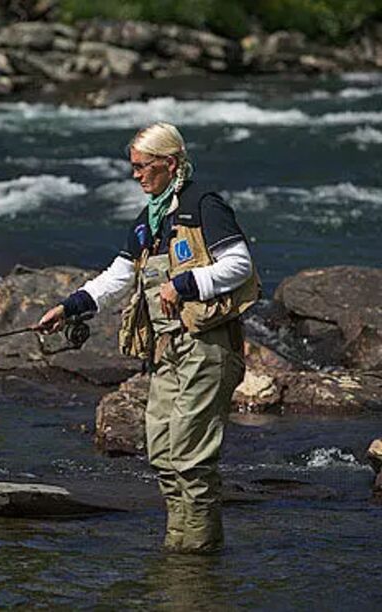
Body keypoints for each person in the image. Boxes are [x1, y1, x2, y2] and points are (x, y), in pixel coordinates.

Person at [37, 122, 259, 554]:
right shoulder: (149, 220)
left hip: (207, 346)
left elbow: (240, 266)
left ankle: (195, 559)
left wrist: (185, 285)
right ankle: (179, 550)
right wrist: (69, 307)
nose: (136, 175)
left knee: (191, 459)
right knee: (162, 451)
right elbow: (119, 277)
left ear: (169, 164)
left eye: (142, 167)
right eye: (133, 167)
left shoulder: (204, 206)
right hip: (165, 350)